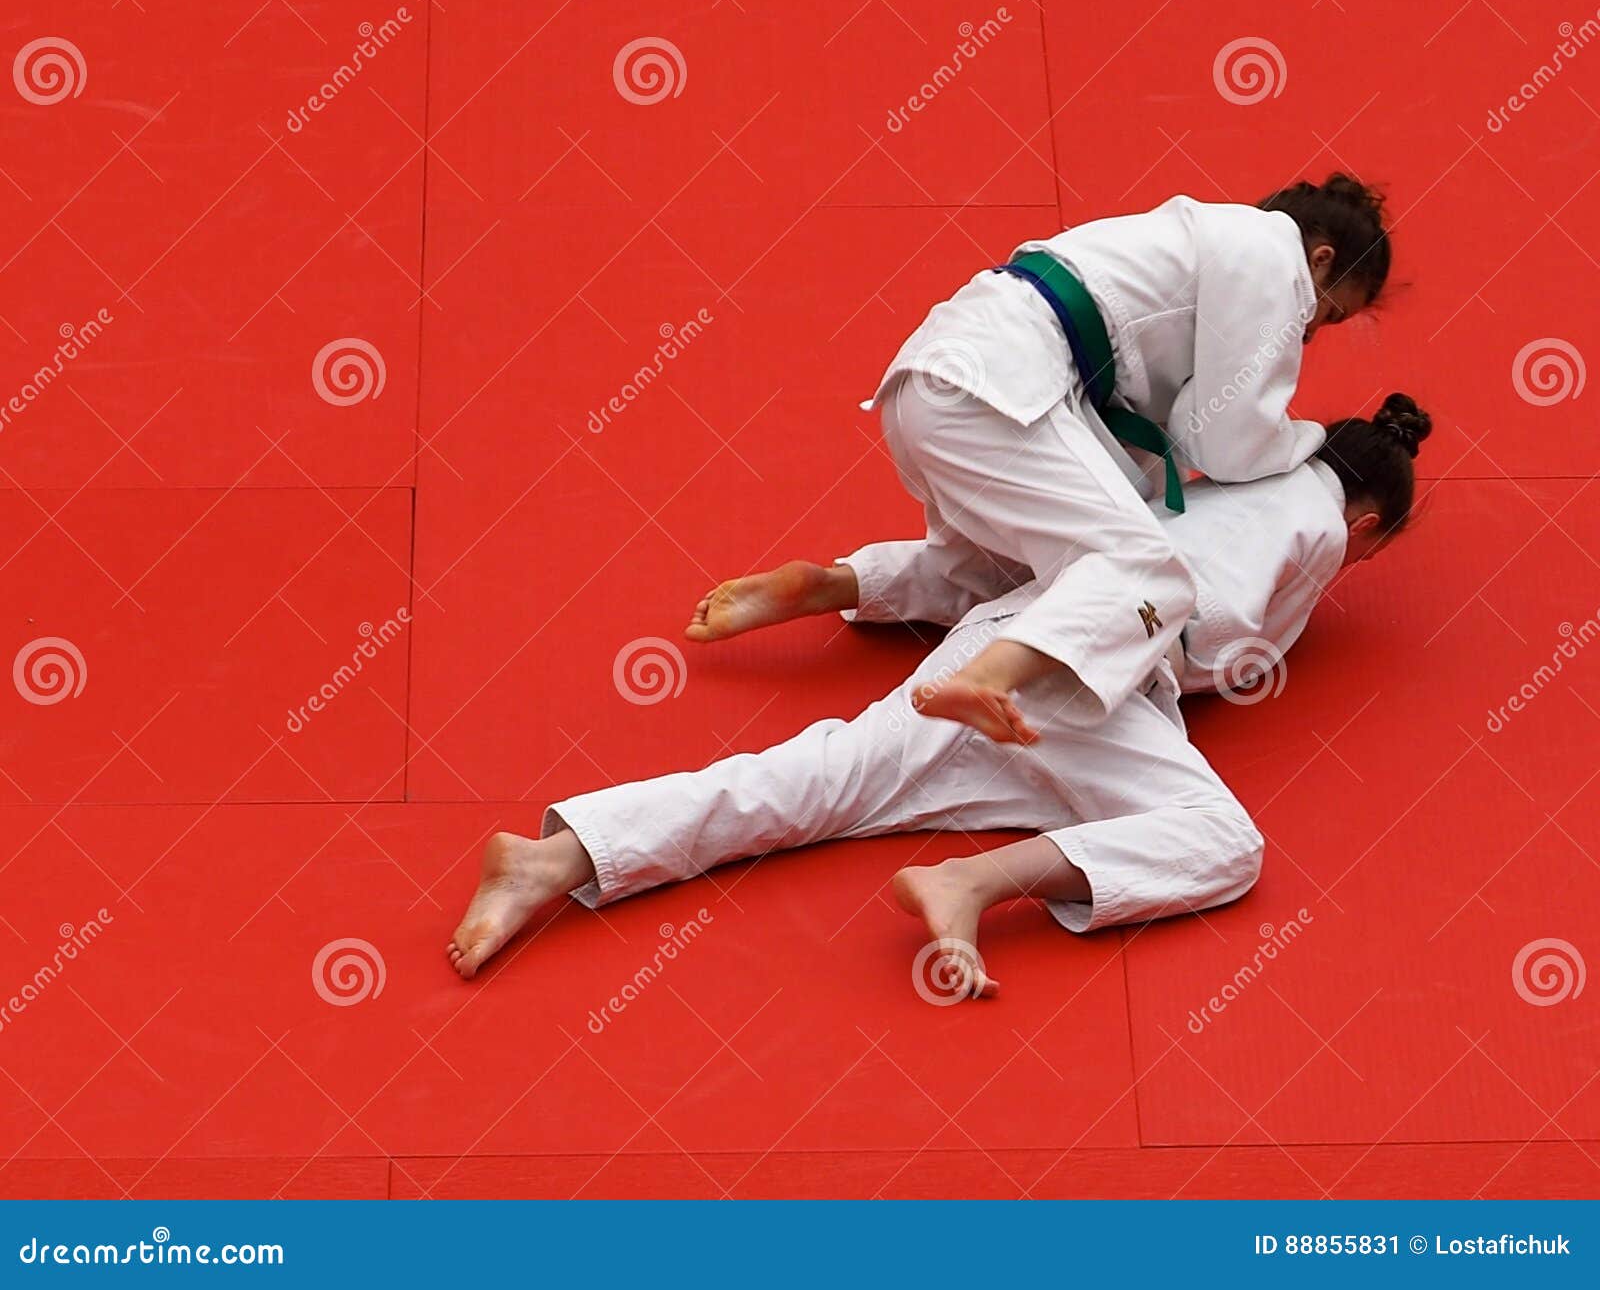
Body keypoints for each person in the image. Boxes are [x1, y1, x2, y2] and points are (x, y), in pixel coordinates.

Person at [447, 398, 1431, 998]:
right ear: (1372, 524)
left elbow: (1027, 566)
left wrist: (866, 582)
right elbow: (1203, 616)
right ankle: (975, 883)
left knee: (805, 783)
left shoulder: (1199, 483)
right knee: (1226, 845)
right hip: (1091, 685)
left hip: (1003, 647)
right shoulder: (1310, 522)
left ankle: (553, 856)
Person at [766, 176, 1395, 747]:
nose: (1311, 334)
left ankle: (847, 583)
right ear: (1320, 261)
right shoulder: (1269, 254)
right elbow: (1227, 443)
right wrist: (1309, 442)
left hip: (938, 385)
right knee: (1149, 571)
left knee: (1033, 569)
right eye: (1328, 311)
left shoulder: (1200, 241)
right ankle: (989, 676)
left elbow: (1184, 430)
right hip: (998, 392)